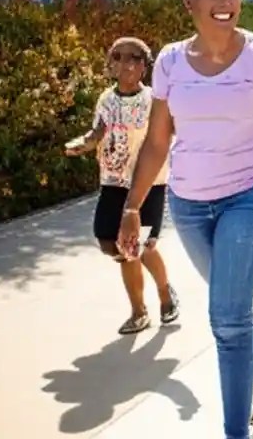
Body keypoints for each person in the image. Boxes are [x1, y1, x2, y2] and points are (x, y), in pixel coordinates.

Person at [119, 0, 253, 439]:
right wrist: (133, 207)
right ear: (189, 3)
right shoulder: (171, 62)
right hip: (190, 205)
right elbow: (158, 140)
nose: (226, 2)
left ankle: (234, 431)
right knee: (233, 306)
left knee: (225, 318)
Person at [65, 37, 179, 335]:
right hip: (113, 181)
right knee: (110, 242)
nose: (126, 63)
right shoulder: (106, 99)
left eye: (134, 58)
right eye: (118, 57)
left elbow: (168, 136)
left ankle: (153, 302)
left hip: (147, 183)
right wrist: (85, 142)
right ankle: (147, 303)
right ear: (110, 64)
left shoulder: (155, 100)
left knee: (136, 246)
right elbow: (98, 130)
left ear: (145, 66)